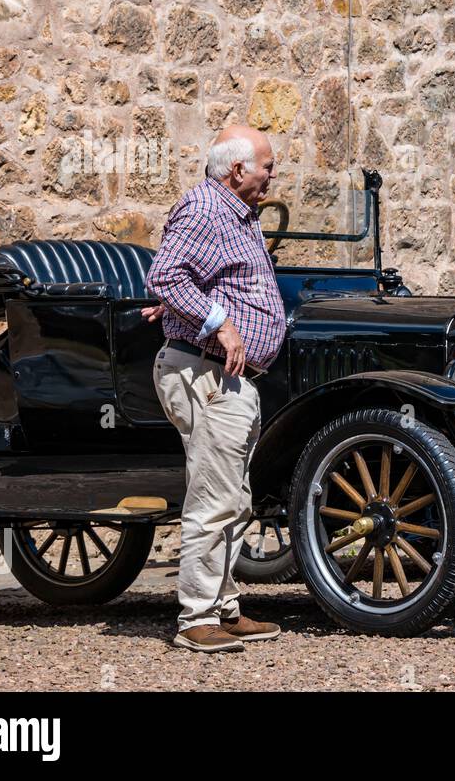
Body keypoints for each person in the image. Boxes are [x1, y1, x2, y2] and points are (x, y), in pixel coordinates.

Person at [144, 124, 287, 653]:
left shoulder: (236, 213)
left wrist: (193, 306)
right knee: (213, 498)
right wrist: (218, 323)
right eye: (267, 165)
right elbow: (165, 276)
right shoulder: (206, 207)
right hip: (206, 373)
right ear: (238, 169)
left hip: (228, 378)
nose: (273, 174)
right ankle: (196, 618)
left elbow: (194, 280)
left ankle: (224, 607)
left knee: (234, 497)